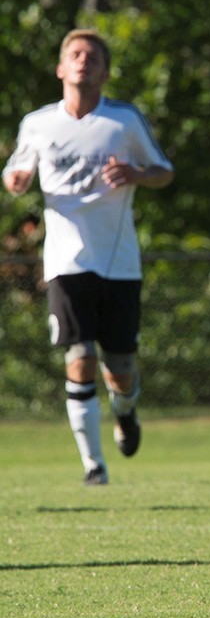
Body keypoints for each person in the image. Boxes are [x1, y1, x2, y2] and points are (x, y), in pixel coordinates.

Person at [3, 29, 174, 485]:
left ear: (104, 71)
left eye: (92, 56)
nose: (83, 61)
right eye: (74, 54)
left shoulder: (123, 120)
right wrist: (17, 179)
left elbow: (163, 171)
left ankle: (126, 412)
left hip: (119, 262)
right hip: (64, 261)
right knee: (77, 355)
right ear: (61, 68)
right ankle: (93, 466)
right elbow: (15, 168)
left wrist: (136, 173)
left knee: (120, 367)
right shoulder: (38, 123)